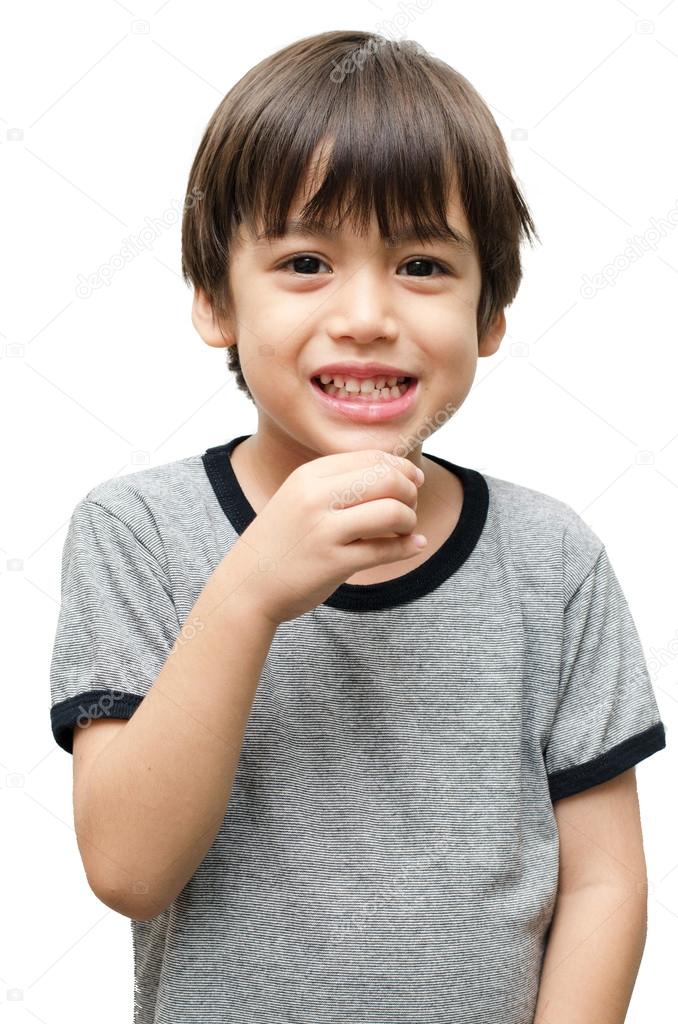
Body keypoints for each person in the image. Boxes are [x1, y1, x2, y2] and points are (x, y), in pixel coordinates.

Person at [49, 29, 667, 1024]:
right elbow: (128, 868)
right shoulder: (139, 532)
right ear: (215, 299)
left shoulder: (551, 561)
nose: (368, 313)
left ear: (490, 312)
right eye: (305, 261)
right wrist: (250, 591)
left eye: (422, 263)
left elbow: (605, 883)